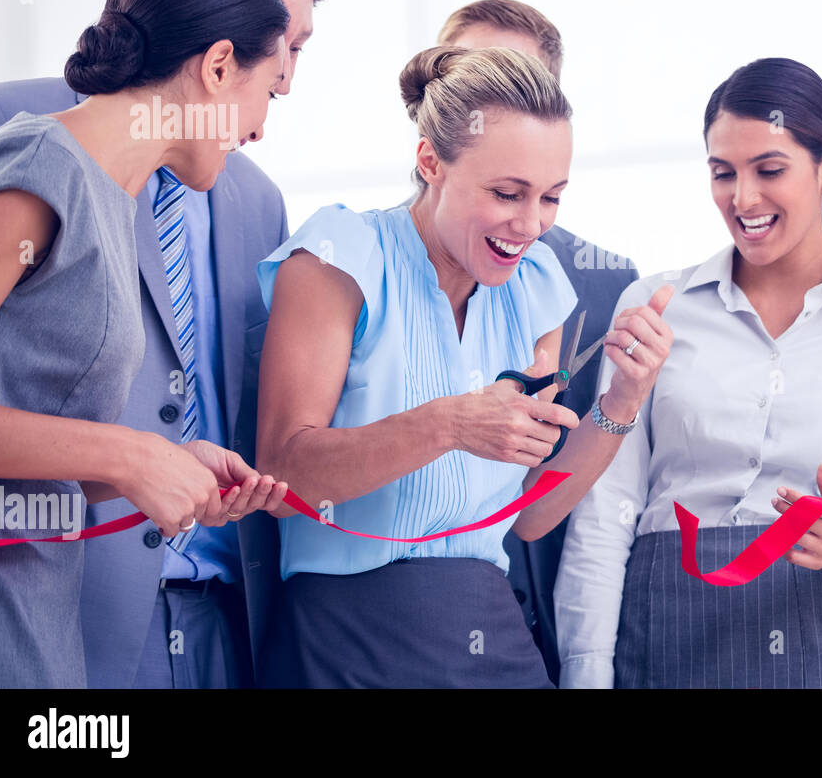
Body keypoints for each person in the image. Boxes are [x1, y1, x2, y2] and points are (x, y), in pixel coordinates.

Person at [254, 44, 673, 687]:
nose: (530, 224)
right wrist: (450, 424)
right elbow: (283, 478)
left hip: (490, 627)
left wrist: (621, 399)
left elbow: (529, 514)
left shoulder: (537, 286)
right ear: (431, 161)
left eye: (551, 198)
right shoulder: (339, 257)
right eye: (507, 193)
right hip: (346, 636)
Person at [554, 57, 822, 688]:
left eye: (769, 170)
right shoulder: (655, 307)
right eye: (722, 173)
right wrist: (587, 675)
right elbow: (604, 514)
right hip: (667, 636)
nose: (742, 199)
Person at [0, 0, 291, 688]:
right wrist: (130, 454)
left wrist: (163, 466)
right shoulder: (37, 166)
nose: (261, 130)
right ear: (219, 66)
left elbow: (33, 432)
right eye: (269, 91)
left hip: (39, 614)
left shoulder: (115, 202)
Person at [436, 0, 640, 683]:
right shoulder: (352, 265)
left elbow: (598, 499)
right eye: (472, 78)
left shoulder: (603, 284)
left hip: (540, 628)